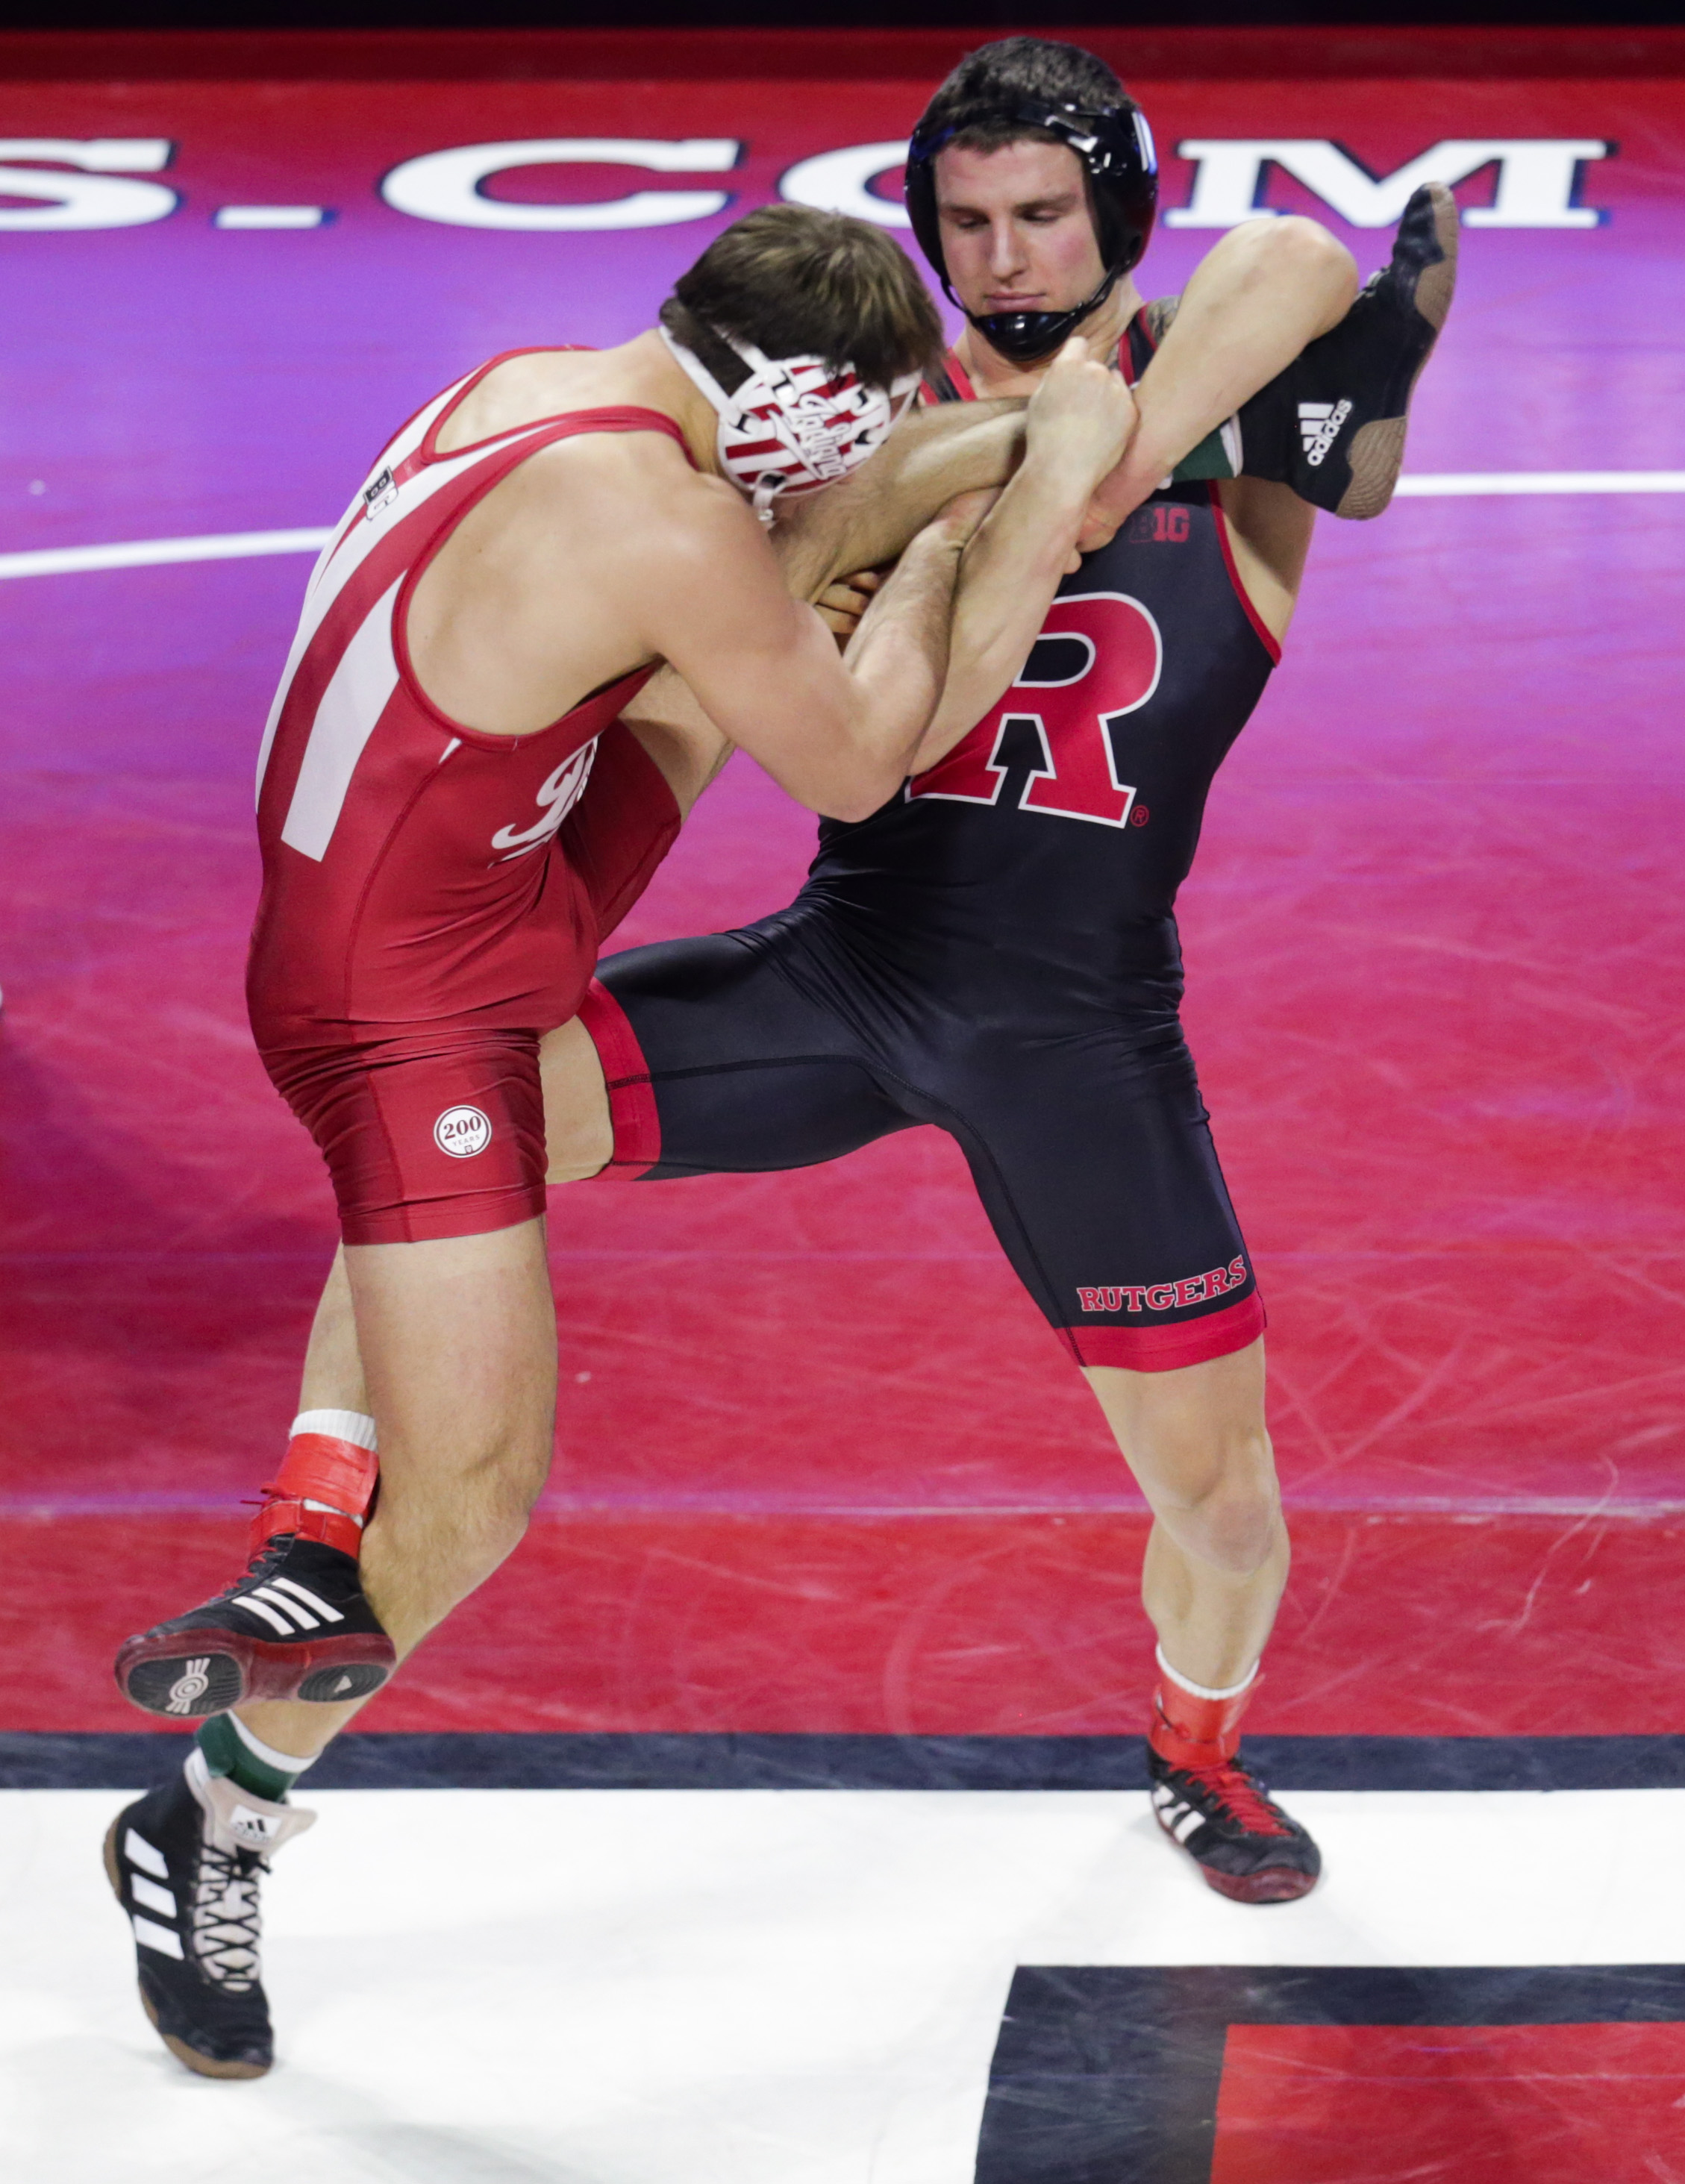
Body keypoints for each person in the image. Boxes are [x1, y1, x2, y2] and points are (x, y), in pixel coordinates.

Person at [107, 31, 1446, 2074]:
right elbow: (842, 661)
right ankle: (263, 1684)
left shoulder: (1213, 405)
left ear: (1111, 213)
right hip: (837, 977)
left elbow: (1291, 253)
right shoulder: (873, 427)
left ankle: (1192, 1743)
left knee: (1229, 1513)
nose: (997, 255)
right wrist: (987, 493)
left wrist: (1103, 434)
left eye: (1037, 215)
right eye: (964, 219)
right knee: (454, 1157)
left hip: (1078, 1034)